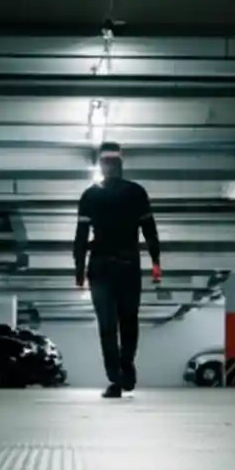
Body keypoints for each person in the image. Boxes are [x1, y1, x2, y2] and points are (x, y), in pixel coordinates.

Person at [74, 142, 162, 398]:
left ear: (102, 165)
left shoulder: (90, 195)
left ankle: (117, 377)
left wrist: (79, 269)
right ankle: (123, 370)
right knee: (128, 321)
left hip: (101, 266)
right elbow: (150, 231)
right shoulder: (135, 192)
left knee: (108, 325)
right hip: (127, 265)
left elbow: (80, 237)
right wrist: (156, 262)